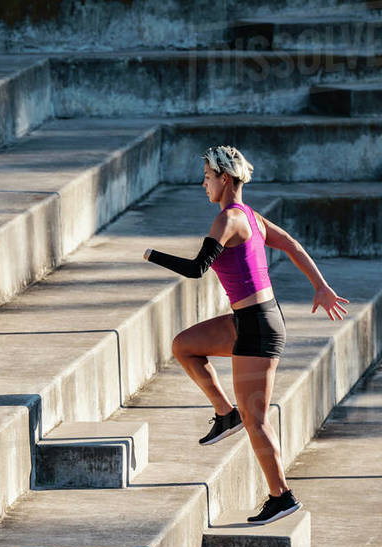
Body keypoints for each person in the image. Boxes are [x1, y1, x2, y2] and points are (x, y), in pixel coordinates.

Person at [144, 145, 348, 525]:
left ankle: (281, 496)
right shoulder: (251, 218)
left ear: (224, 179)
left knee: (257, 420)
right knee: (184, 346)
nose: (203, 185)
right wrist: (321, 287)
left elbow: (196, 269)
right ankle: (224, 414)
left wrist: (152, 255)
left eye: (207, 177)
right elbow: (291, 244)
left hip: (257, 328)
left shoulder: (229, 220)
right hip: (248, 319)